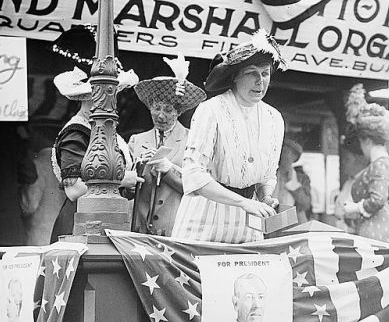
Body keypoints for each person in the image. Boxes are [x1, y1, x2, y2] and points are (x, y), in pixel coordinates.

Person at [171, 30, 288, 244]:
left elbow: (267, 175)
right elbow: (193, 175)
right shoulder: (211, 110)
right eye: (251, 72)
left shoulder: (274, 118)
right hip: (205, 222)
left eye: (265, 73)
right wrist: (243, 203)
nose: (259, 81)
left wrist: (265, 196)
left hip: (248, 227)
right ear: (234, 76)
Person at [49, 65, 140, 242]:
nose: (112, 101)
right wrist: (122, 179)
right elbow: (74, 189)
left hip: (108, 220)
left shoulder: (104, 129)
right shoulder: (75, 133)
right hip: (82, 224)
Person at [128, 55, 206, 236]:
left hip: (175, 229)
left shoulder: (192, 140)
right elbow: (127, 192)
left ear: (178, 112)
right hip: (139, 229)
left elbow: (195, 188)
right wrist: (132, 181)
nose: (161, 115)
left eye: (168, 109)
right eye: (156, 108)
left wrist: (167, 170)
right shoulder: (137, 141)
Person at [342, 85, 389, 244]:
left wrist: (354, 208)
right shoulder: (386, 164)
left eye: (360, 141)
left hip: (380, 230)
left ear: (366, 140)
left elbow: (378, 199)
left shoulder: (379, 166)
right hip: (379, 225)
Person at [333, 132, 369, 233]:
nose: (343, 162)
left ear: (361, 160)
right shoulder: (349, 182)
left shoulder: (366, 182)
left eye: (347, 158)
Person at [274, 138, 313, 223]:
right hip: (272, 220)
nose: (283, 156)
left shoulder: (301, 177)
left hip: (293, 222)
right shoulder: (271, 174)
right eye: (282, 152)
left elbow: (305, 204)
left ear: (294, 157)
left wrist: (292, 183)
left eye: (287, 152)